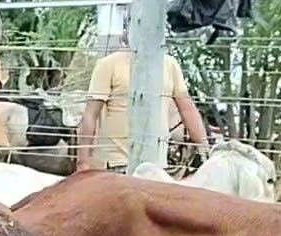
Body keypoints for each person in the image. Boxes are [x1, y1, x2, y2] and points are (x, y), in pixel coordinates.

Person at [75, 27, 209, 173]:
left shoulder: (169, 64)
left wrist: (205, 149)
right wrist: (83, 163)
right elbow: (90, 114)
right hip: (117, 164)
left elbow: (187, 109)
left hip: (157, 165)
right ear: (127, 30)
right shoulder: (108, 64)